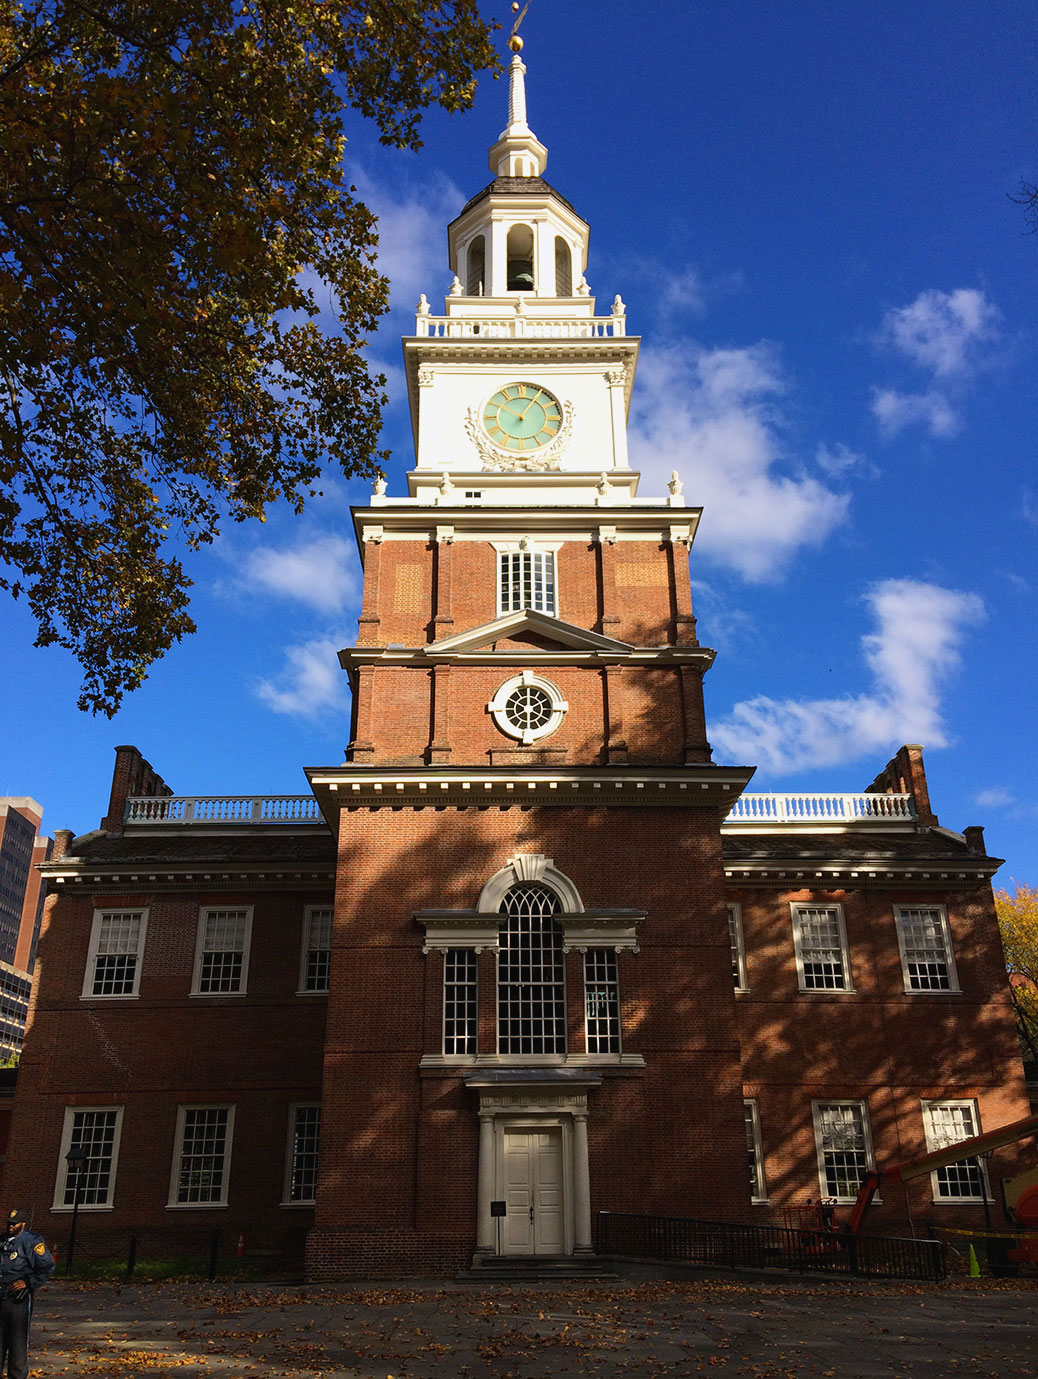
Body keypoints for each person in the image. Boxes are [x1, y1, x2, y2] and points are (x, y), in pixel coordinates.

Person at [0, 1208, 54, 1379]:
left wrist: (27, 1283)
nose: (10, 1226)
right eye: (9, 1222)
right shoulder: (2, 1240)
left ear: (23, 1224)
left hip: (17, 1299)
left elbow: (47, 1267)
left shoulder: (32, 1241)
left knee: (17, 1342)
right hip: (0, 1295)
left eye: (14, 1223)